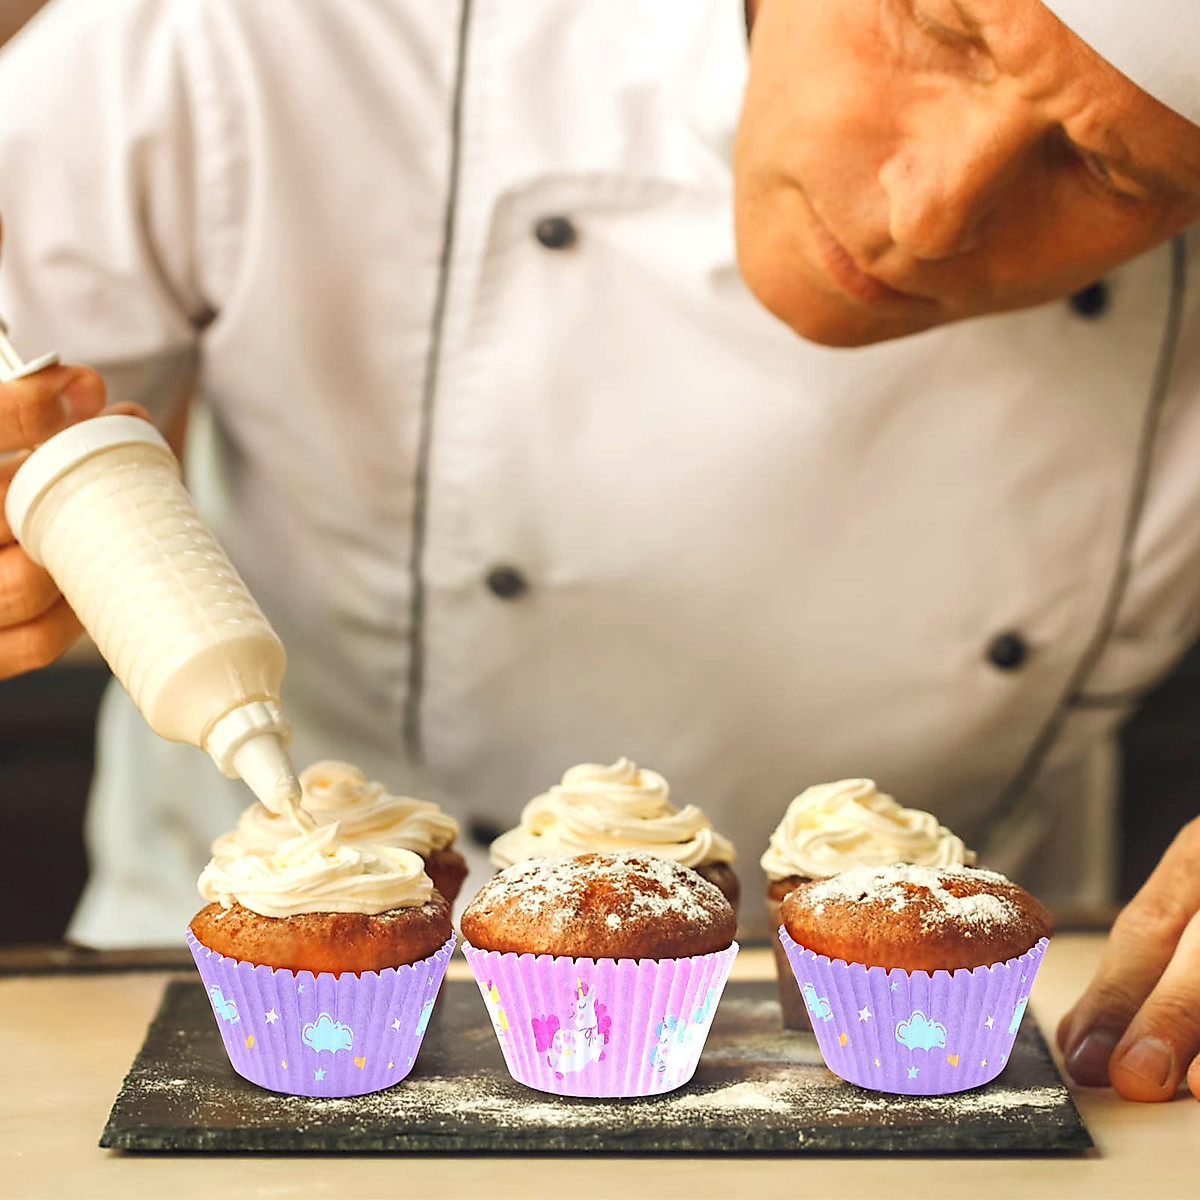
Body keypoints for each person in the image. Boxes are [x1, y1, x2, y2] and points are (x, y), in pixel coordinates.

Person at [0, 0, 1197, 1103]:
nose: (929, 214)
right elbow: (36, 396)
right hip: (187, 1017)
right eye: (943, 26)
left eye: (1109, 168)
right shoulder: (244, 31)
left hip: (985, 1049)